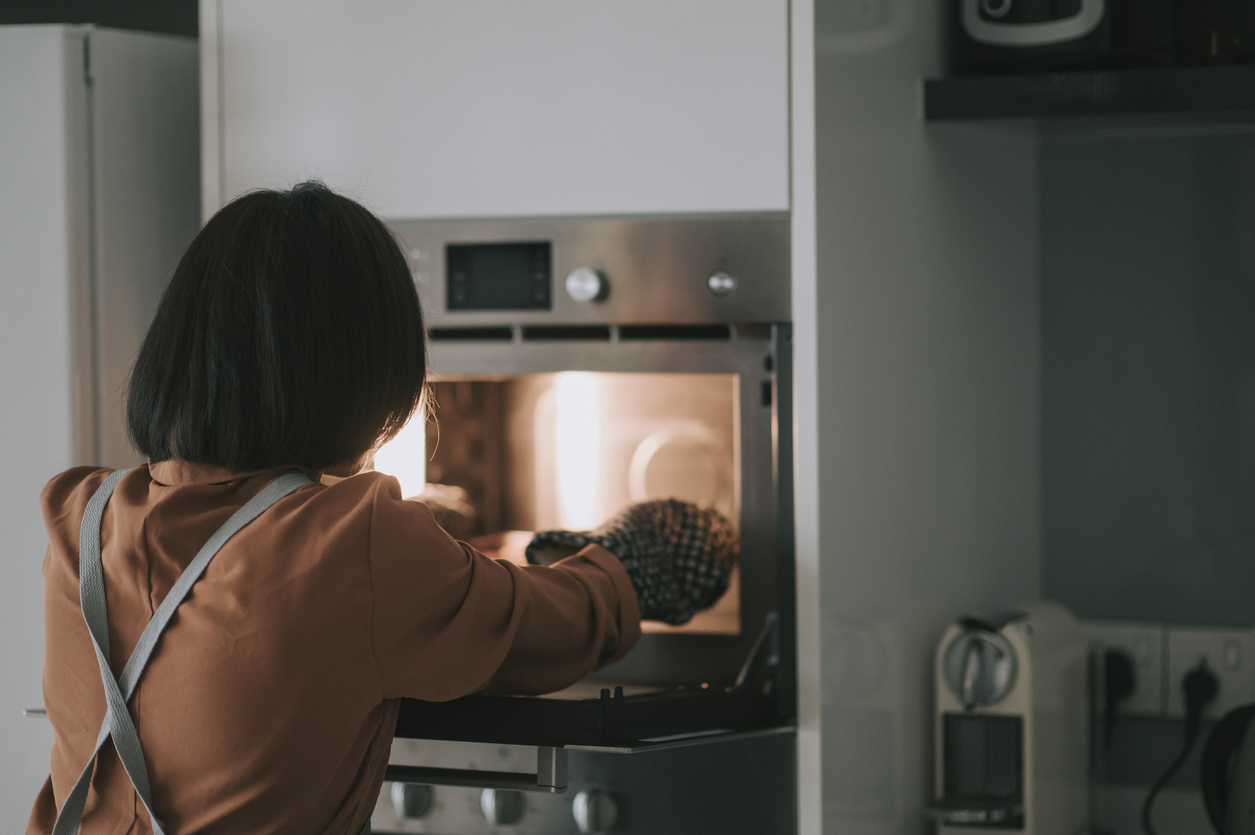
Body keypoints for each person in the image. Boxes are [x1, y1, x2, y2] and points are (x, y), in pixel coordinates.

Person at [28, 182, 734, 835]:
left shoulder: (81, 518)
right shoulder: (354, 540)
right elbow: (546, 630)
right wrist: (630, 562)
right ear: (359, 372)